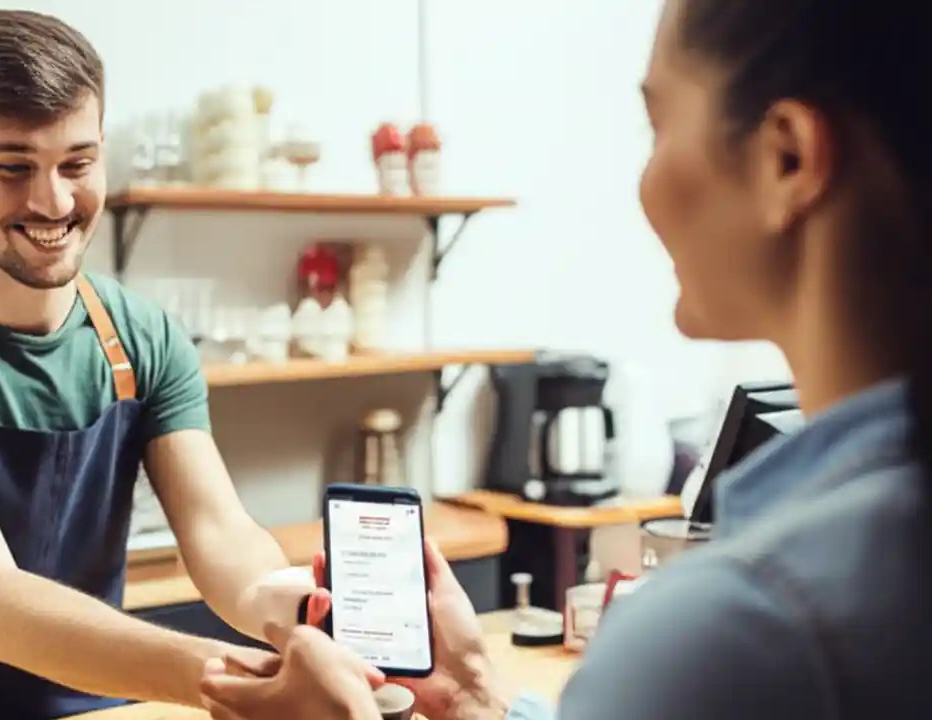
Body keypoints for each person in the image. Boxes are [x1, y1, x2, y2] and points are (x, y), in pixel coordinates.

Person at [197, 0, 932, 717]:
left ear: (787, 158)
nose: (643, 187)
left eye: (657, 125)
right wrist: (476, 701)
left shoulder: (730, 634)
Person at [0, 10, 329, 719]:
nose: (53, 200)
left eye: (77, 164)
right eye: (13, 167)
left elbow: (217, 531)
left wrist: (297, 610)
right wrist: (229, 677)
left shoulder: (144, 339)